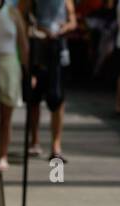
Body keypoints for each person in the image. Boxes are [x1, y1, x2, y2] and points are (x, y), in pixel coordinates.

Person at [21, 0, 77, 162]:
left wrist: (64, 28)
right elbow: (22, 18)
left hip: (58, 48)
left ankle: (56, 145)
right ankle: (35, 141)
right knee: (34, 98)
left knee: (57, 98)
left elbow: (72, 21)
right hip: (38, 48)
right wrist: (37, 29)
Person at [0, 0, 29, 170]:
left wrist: (28, 71)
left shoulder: (12, 12)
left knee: (5, 117)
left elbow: (23, 44)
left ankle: (3, 154)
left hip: (9, 64)